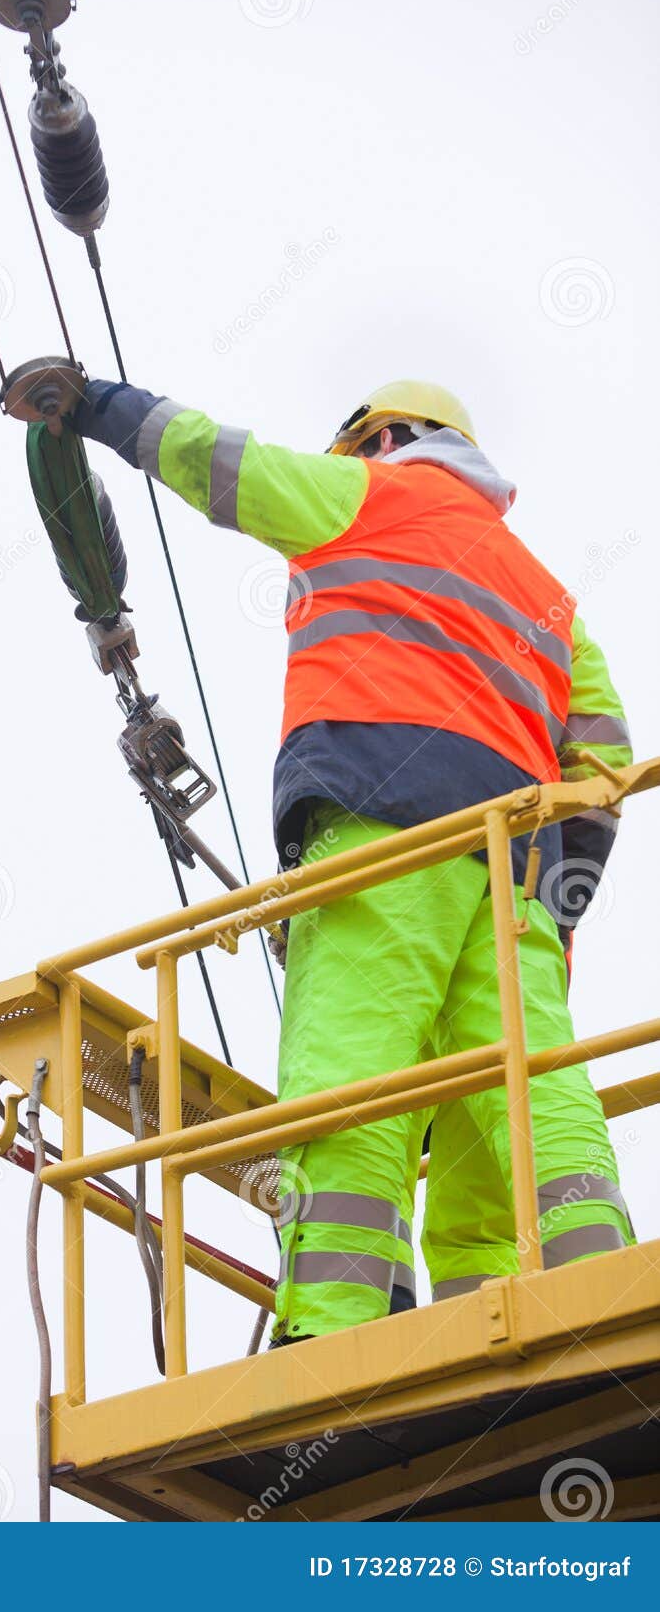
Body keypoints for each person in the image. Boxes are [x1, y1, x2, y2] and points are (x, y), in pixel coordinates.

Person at [68, 376, 635, 1343]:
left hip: (382, 827)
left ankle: (337, 1325)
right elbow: (605, 763)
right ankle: (587, 1290)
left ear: (383, 438)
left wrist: (94, 407)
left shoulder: (373, 493)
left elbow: (220, 462)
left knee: (353, 1076)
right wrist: (555, 905)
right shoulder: (548, 595)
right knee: (520, 1084)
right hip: (515, 871)